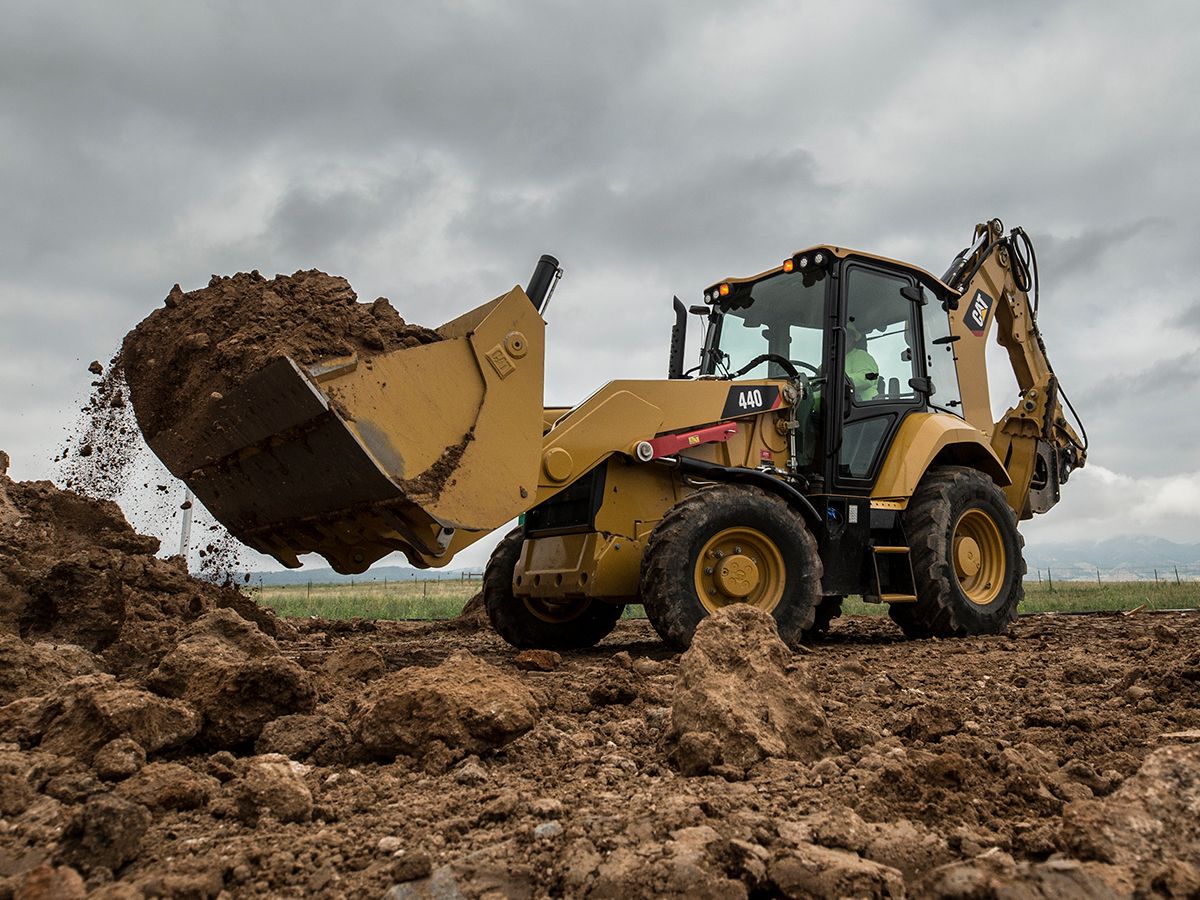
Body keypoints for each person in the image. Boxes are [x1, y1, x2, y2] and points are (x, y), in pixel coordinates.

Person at [844, 320, 880, 401]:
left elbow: (870, 378)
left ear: (853, 339)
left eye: (848, 336)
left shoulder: (861, 355)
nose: (846, 340)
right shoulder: (829, 362)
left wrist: (840, 380)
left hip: (862, 407)